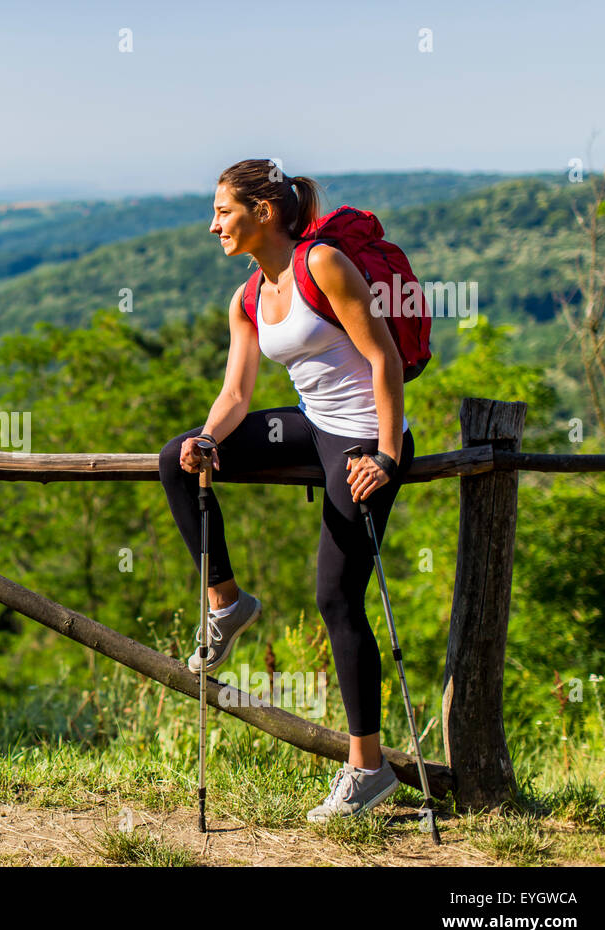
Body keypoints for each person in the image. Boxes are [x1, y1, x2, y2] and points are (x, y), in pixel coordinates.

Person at [157, 159, 416, 822]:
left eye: (224, 211)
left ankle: (368, 769)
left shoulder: (322, 264)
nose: (213, 224)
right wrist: (210, 438)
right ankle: (227, 603)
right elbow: (237, 394)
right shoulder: (248, 297)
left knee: (336, 596)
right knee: (175, 458)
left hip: (363, 436)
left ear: (263, 212)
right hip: (311, 425)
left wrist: (386, 456)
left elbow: (384, 357)